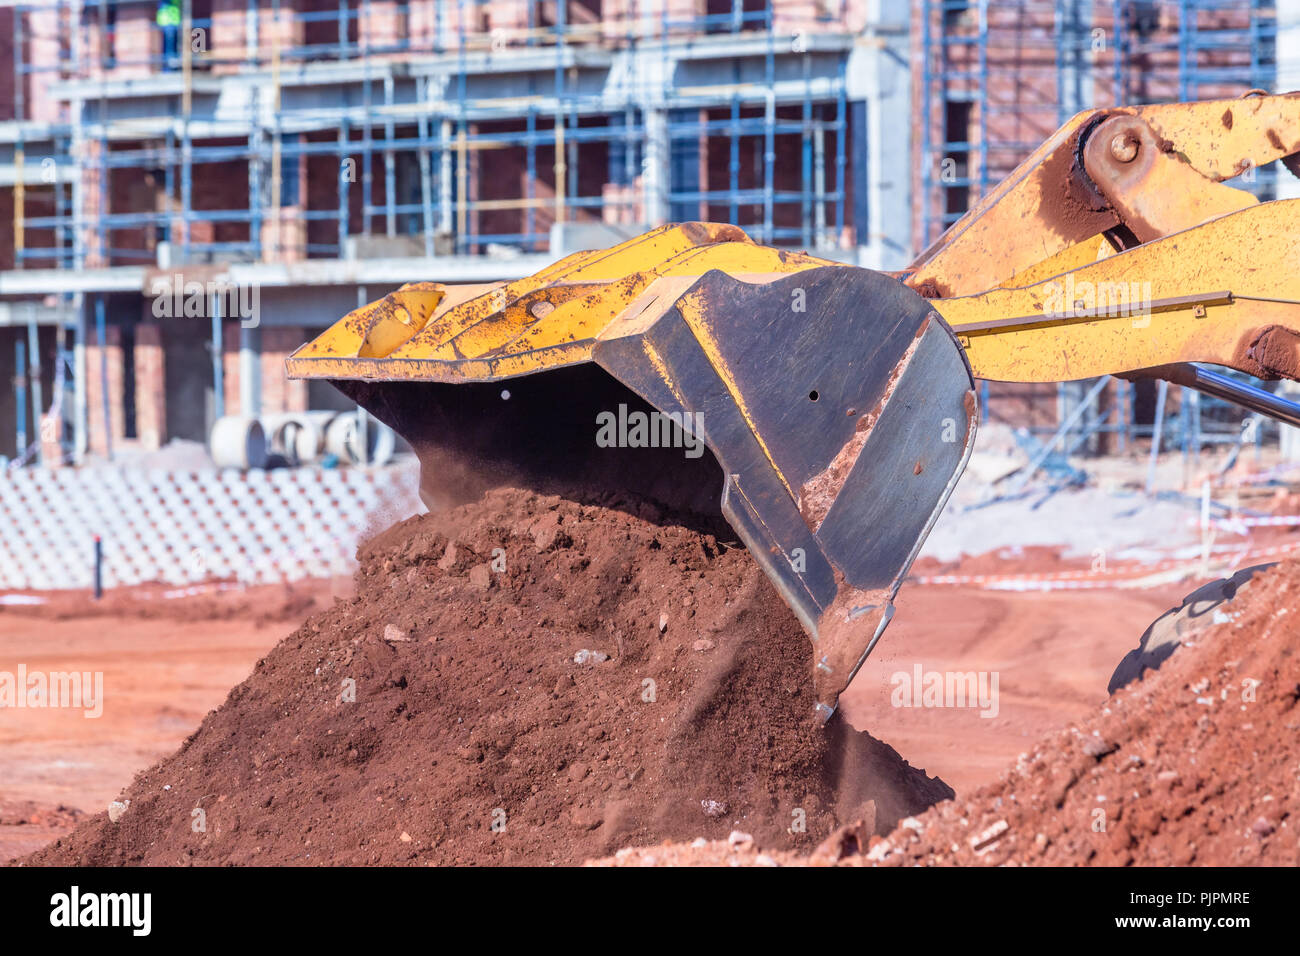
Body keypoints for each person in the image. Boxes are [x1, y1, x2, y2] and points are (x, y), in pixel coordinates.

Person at [156, 0, 181, 71]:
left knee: (172, 47)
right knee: (169, 47)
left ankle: (171, 67)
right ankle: (168, 68)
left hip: (172, 23)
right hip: (168, 23)